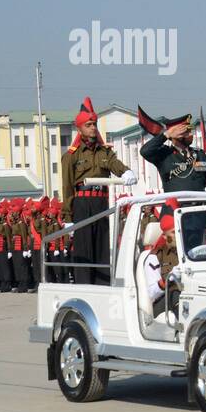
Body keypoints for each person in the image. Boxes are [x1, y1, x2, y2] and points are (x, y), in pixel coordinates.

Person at [61, 98, 135, 284]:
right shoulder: (72, 155)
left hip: (101, 202)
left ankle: (103, 287)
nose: (93, 128)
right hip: (82, 203)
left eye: (94, 124)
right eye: (88, 125)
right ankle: (85, 287)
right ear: (80, 128)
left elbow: (113, 163)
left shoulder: (104, 151)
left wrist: (125, 171)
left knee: (102, 248)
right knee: (84, 249)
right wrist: (68, 218)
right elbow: (67, 186)